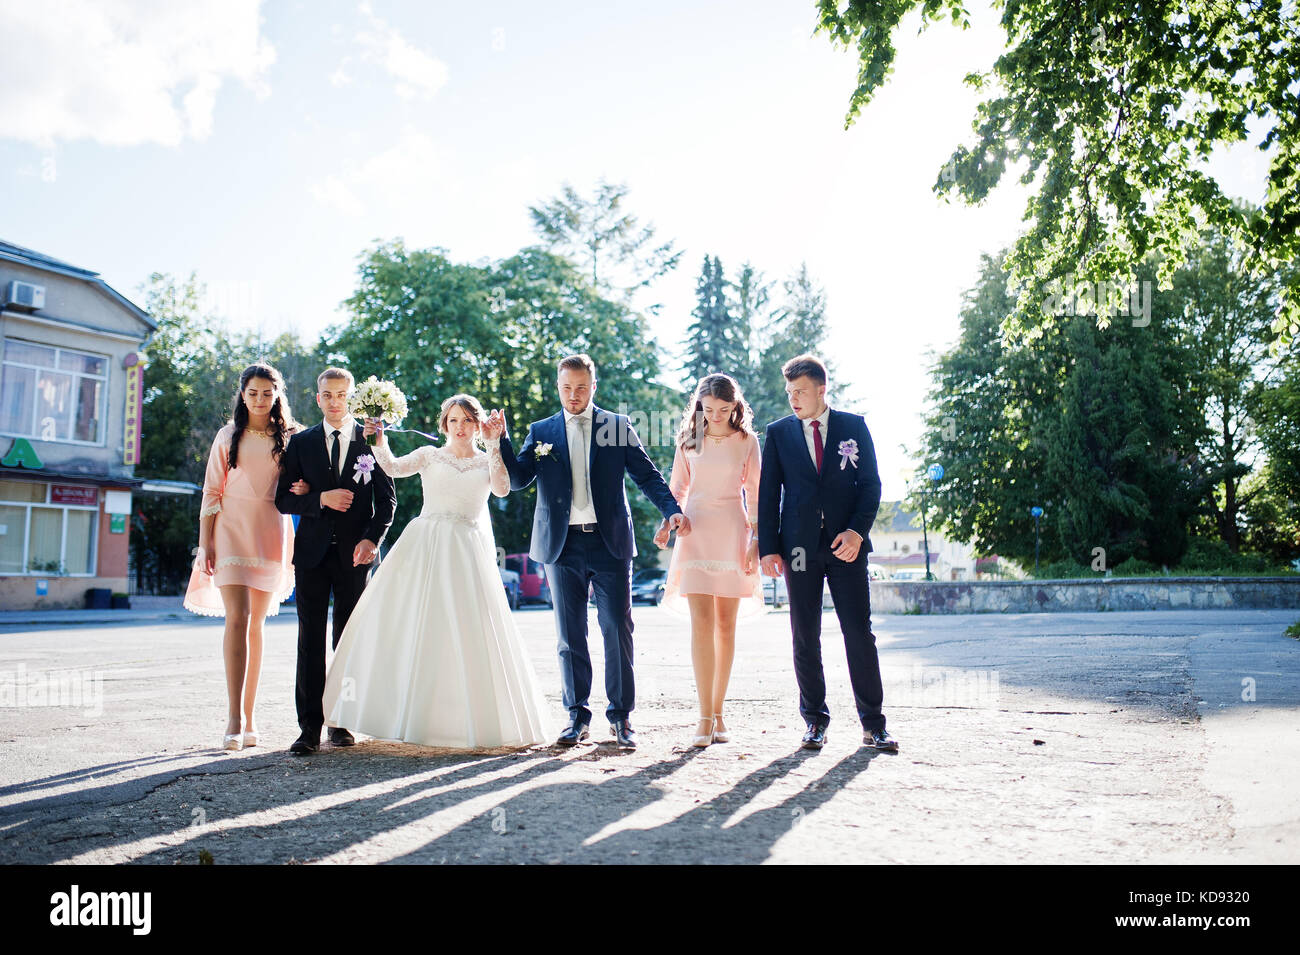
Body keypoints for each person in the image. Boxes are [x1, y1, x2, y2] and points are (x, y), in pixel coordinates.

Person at [320, 395, 551, 749]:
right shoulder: (430, 456)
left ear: (477, 425)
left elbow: (502, 489)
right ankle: (394, 713)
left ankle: (459, 720)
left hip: (467, 549)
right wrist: (380, 442)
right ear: (444, 424)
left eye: (468, 421)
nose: (461, 427)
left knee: (467, 629)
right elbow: (394, 468)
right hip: (425, 543)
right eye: (454, 420)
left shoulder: (484, 461)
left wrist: (493, 444)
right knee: (411, 624)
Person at [491, 353, 690, 750]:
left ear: (593, 386)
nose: (573, 395)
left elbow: (646, 474)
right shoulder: (542, 429)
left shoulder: (617, 426)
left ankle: (621, 718)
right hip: (561, 545)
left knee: (617, 628)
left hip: (609, 542)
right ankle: (576, 717)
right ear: (558, 387)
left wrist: (672, 510)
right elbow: (517, 480)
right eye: (566, 388)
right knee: (570, 635)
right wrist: (500, 440)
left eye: (581, 387)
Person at [757, 354, 898, 753]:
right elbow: (769, 496)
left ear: (822, 389)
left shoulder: (854, 426)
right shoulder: (779, 433)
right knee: (805, 635)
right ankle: (815, 721)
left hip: (846, 548)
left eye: (800, 391)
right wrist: (769, 548)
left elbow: (871, 485)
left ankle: (874, 724)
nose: (793, 399)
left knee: (859, 633)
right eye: (789, 393)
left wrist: (856, 532)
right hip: (798, 549)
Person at [274, 367, 396, 756]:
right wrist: (320, 499)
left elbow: (387, 501)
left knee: (347, 640)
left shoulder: (370, 440)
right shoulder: (301, 443)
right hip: (310, 555)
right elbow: (283, 499)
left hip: (354, 557)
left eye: (341, 395)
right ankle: (309, 727)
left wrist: (371, 540)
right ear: (317, 398)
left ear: (352, 397)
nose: (334, 401)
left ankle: (341, 722)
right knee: (309, 640)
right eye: (327, 395)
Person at [185, 362, 304, 751]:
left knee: (256, 626)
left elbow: (306, 480)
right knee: (236, 620)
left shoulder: (291, 435)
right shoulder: (227, 435)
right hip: (230, 531)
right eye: (252, 393)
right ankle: (233, 718)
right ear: (242, 394)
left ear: (277, 395)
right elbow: (211, 492)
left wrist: (304, 486)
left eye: (267, 393)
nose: (259, 400)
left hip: (270, 531)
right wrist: (206, 542)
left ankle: (252, 719)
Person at [654, 373, 765, 748]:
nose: (715, 416)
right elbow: (677, 488)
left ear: (736, 407)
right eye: (708, 409)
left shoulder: (747, 442)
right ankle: (703, 716)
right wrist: (668, 521)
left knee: (725, 626)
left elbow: (756, 492)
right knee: (700, 623)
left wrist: (756, 540)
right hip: (695, 532)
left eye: (723, 409)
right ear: (698, 406)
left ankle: (719, 713)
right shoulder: (689, 439)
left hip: (734, 532)